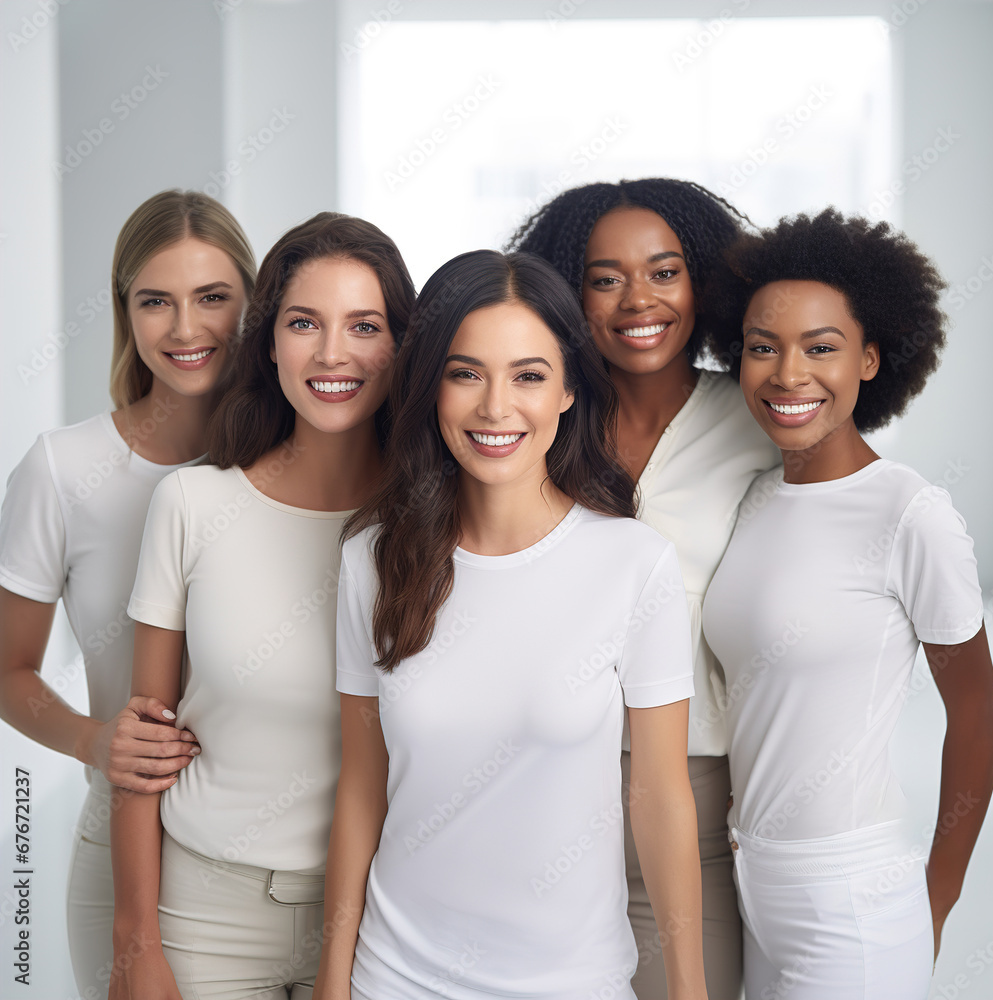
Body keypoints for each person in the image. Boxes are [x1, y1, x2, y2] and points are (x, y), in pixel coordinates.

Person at [314, 249, 708, 1000]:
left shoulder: (634, 564)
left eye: (528, 375)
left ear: (567, 392)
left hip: (573, 983)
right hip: (395, 980)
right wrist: (334, 985)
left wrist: (690, 992)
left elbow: (660, 796)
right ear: (431, 389)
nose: (496, 408)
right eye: (466, 374)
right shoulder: (373, 560)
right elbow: (362, 789)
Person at [108, 213, 415, 999]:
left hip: (390, 911)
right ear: (268, 341)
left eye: (364, 326)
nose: (332, 353)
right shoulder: (192, 504)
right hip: (207, 915)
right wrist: (137, 943)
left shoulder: (433, 523)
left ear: (402, 346)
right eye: (304, 323)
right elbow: (144, 746)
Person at [701, 208, 993, 999]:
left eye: (820, 348)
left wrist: (939, 893)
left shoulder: (909, 512)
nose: (788, 374)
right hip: (751, 884)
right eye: (763, 348)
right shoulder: (756, 498)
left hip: (851, 899)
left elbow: (975, 710)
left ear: (870, 359)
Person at [509, 178, 779, 998]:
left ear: (705, 284)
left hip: (694, 796)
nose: (638, 300)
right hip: (537, 787)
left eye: (665, 272)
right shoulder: (531, 417)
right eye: (605, 277)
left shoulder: (760, 417)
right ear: (568, 290)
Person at [0, 189, 255, 998]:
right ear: (125, 311)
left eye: (213, 298)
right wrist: (91, 740)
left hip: (276, 857)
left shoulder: (305, 470)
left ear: (254, 304)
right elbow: (8, 670)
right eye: (157, 302)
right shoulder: (62, 469)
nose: (185, 330)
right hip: (124, 852)